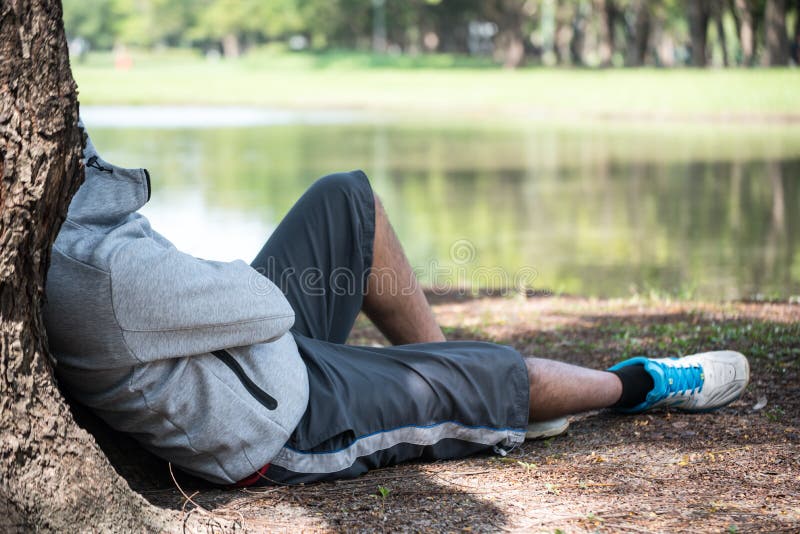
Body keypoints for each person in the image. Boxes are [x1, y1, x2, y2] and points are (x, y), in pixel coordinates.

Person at [44, 124, 750, 486]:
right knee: (504, 373)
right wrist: (204, 291)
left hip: (243, 361)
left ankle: (449, 380)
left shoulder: (76, 226)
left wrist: (200, 295)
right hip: (279, 423)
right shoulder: (97, 270)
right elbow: (265, 308)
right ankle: (643, 385)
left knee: (346, 197)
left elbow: (231, 307)